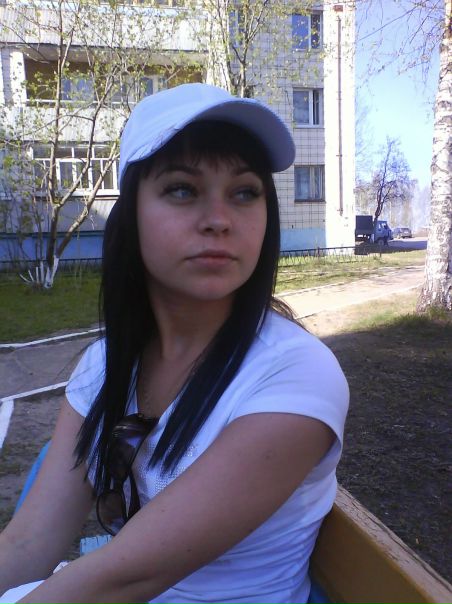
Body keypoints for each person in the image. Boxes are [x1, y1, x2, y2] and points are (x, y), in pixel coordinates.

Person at [0, 83, 349, 604]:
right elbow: (28, 542)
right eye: (183, 190)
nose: (219, 220)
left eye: (245, 192)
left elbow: (122, 580)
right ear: (131, 214)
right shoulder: (103, 366)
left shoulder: (296, 376)